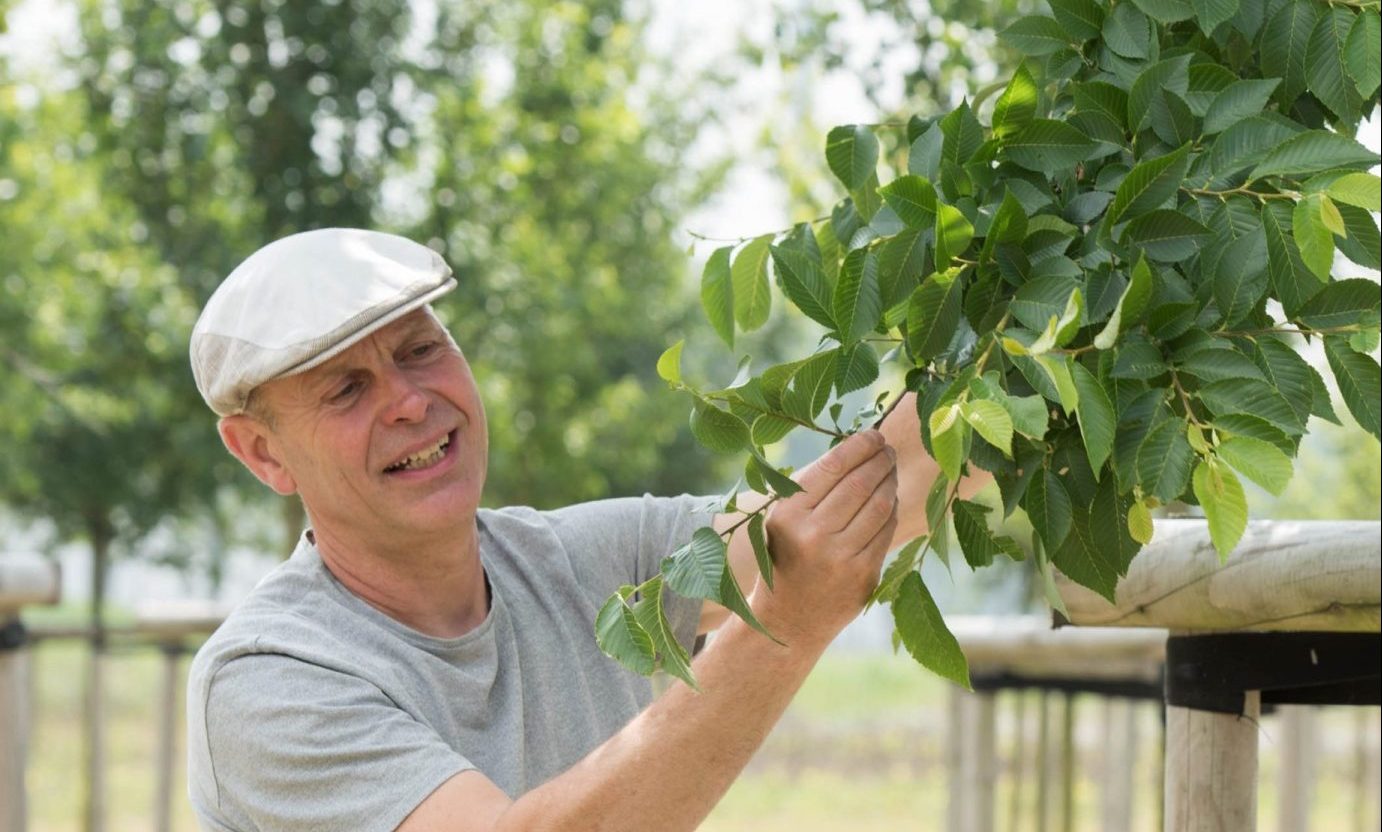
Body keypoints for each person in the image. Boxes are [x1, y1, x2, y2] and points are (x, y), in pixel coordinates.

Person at [185, 227, 957, 832]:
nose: (410, 402)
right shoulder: (269, 681)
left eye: (422, 350)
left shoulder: (578, 560)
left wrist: (1028, 321)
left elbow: (866, 496)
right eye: (346, 389)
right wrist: (784, 629)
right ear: (261, 451)